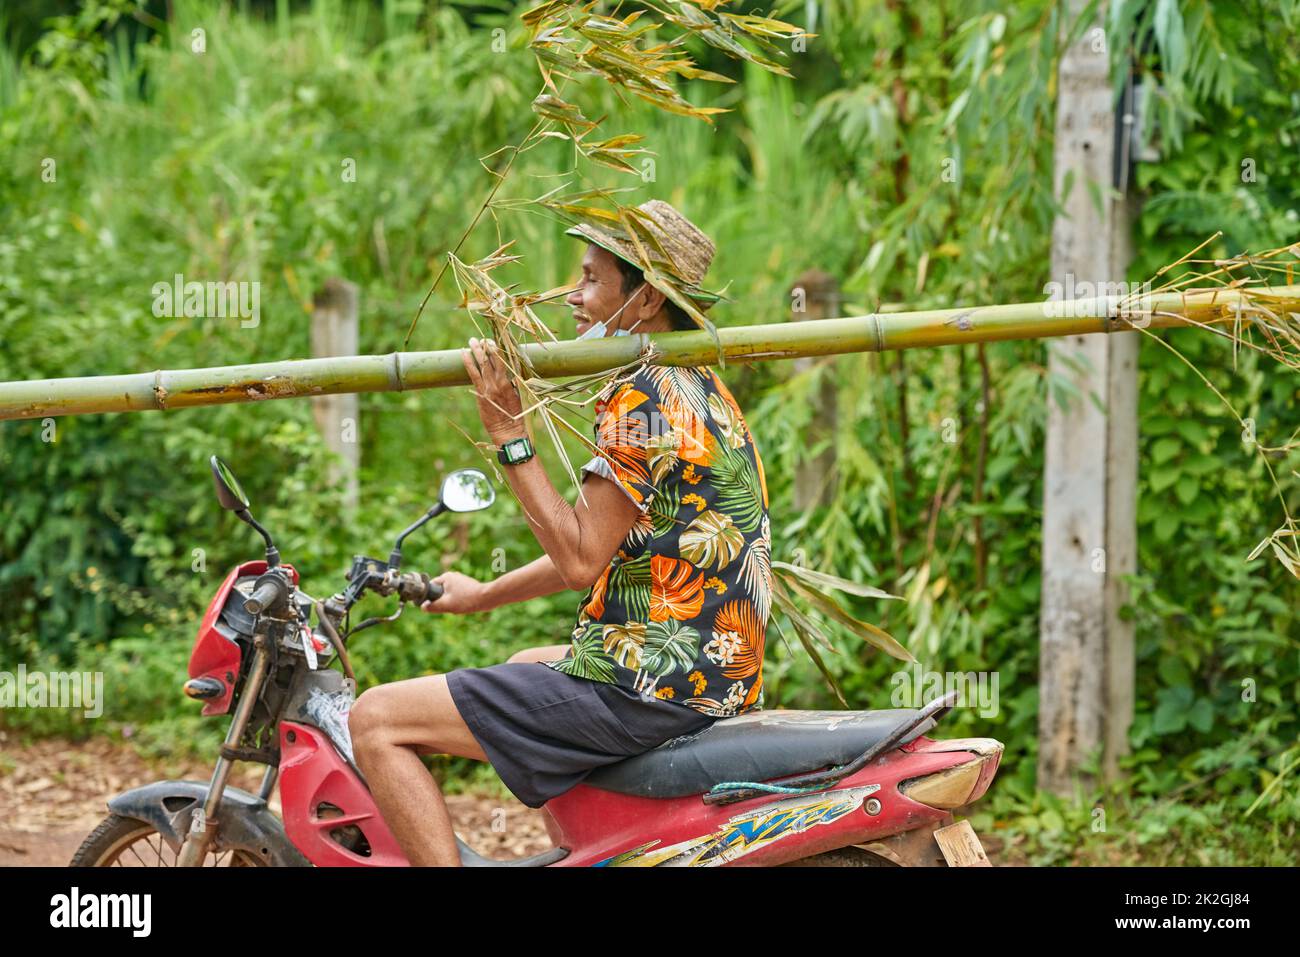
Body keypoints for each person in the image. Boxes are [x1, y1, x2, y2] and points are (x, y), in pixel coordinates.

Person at [347, 200, 771, 866]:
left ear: (645, 300)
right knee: (523, 667)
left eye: (592, 278)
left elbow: (578, 560)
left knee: (376, 717)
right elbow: (605, 545)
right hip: (705, 673)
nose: (574, 296)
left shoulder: (643, 400)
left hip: (650, 685)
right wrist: (483, 593)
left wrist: (509, 434)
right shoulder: (698, 385)